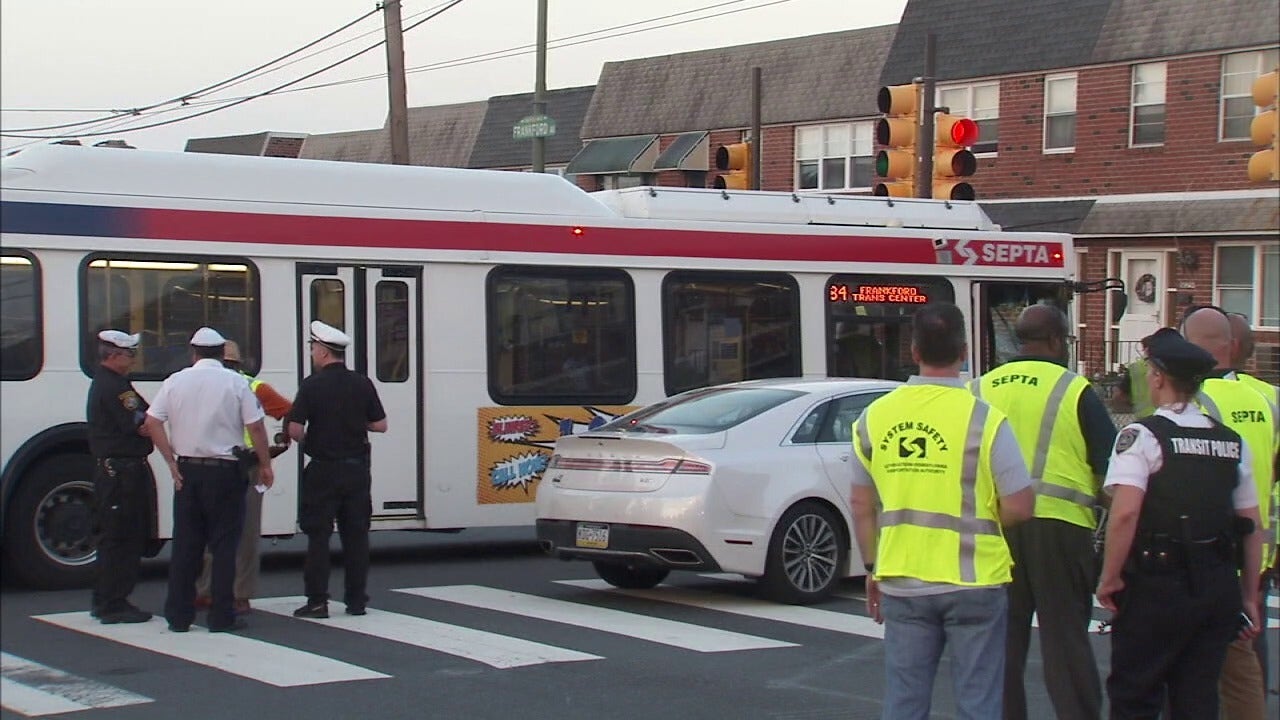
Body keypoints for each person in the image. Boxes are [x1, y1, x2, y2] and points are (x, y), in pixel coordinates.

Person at [850, 302, 1035, 720]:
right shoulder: (985, 420)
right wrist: (984, 520)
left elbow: (862, 503)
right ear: (965, 351)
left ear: (912, 351)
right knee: (978, 703)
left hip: (902, 579)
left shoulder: (873, 417)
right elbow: (1021, 506)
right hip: (974, 581)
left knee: (905, 701)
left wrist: (872, 566)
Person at [1096, 327, 1263, 720]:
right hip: (1216, 584)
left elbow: (1124, 513)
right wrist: (1249, 595)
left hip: (1156, 584)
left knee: (1136, 693)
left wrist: (1110, 577)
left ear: (1158, 378)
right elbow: (1251, 524)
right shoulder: (1232, 442)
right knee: (1198, 697)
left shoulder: (1143, 436)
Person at [972, 304, 1115, 720]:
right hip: (1061, 527)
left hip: (997, 527)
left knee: (1003, 642)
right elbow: (1109, 467)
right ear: (1056, 340)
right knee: (1065, 641)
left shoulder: (980, 388)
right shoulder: (1074, 389)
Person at [144, 327, 274, 633]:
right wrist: (265, 464)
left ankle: (178, 615)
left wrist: (170, 461)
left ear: (193, 353)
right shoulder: (236, 383)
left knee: (187, 546)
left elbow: (152, 421)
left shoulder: (175, 381)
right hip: (226, 472)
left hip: (188, 472)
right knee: (224, 545)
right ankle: (221, 614)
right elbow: (255, 427)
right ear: (221, 354)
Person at [1182, 308, 1277, 720]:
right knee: (1247, 652)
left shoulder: (1194, 402)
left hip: (1207, 552)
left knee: (1192, 663)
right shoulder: (1266, 399)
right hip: (1257, 546)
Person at [287, 321, 387, 619]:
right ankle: (356, 601)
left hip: (323, 470)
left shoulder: (311, 384)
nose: (312, 353)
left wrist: (313, 436)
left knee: (318, 537)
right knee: (356, 537)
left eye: (313, 348)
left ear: (322, 352)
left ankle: (318, 601)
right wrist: (357, 423)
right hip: (357, 471)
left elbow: (294, 429)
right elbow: (380, 425)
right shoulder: (362, 383)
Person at [194, 340, 292, 615]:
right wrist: (274, 451)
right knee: (245, 534)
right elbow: (288, 411)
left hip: (208, 466)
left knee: (211, 532)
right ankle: (240, 595)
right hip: (245, 466)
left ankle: (205, 590)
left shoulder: (198, 384)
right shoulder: (252, 386)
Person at [86, 329, 155, 624]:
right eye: (129, 354)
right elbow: (143, 422)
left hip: (113, 471)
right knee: (124, 537)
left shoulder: (105, 382)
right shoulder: (116, 387)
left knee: (113, 537)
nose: (132, 359)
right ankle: (115, 602)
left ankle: (104, 599)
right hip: (123, 472)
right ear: (113, 355)